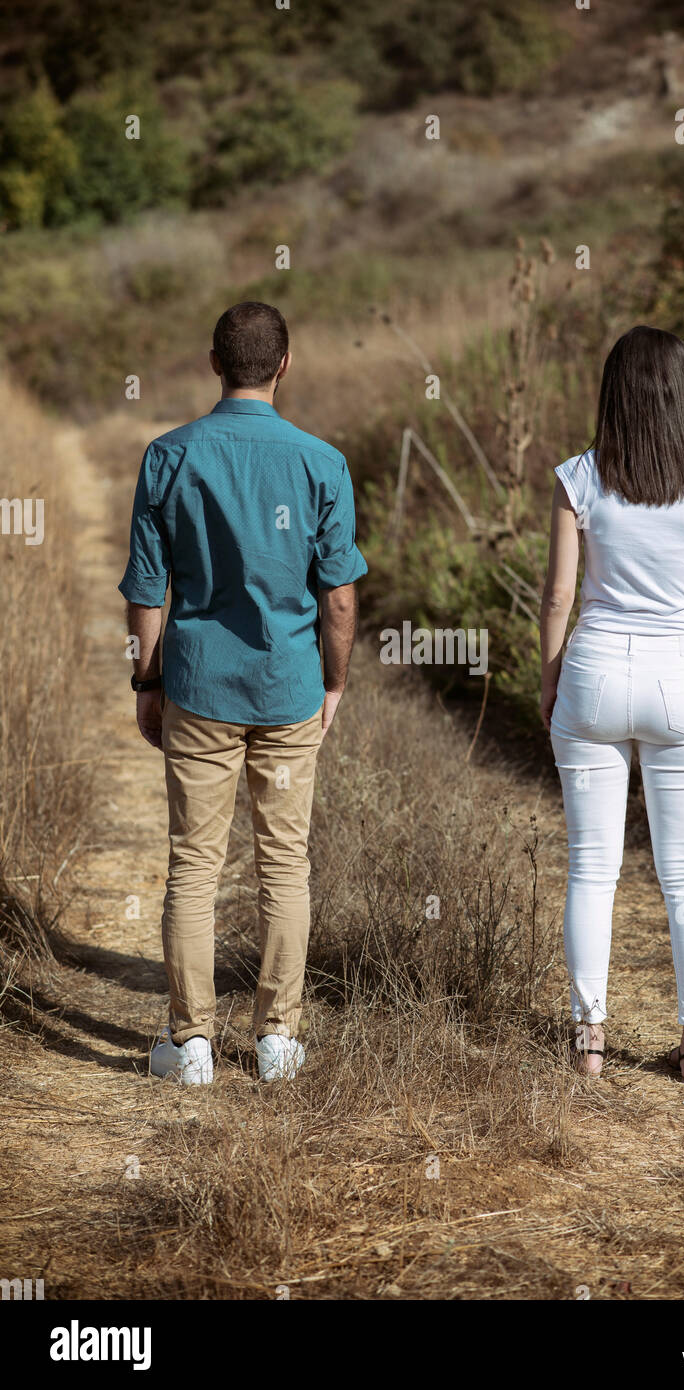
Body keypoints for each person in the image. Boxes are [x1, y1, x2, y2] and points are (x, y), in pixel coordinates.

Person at [120, 301, 366, 1085]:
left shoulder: (168, 456)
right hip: (288, 689)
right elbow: (338, 598)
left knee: (193, 862)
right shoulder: (321, 463)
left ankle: (189, 1044)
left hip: (198, 686)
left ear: (213, 362)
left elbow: (145, 592)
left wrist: (148, 681)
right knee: (283, 864)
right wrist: (332, 680)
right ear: (284, 365)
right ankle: (276, 1041)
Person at [540, 325, 684, 1083]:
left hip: (593, 673)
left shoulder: (580, 477)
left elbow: (559, 593)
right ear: (683, 391)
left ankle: (589, 1039)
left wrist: (549, 677)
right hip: (680, 680)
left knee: (592, 871)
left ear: (613, 390)